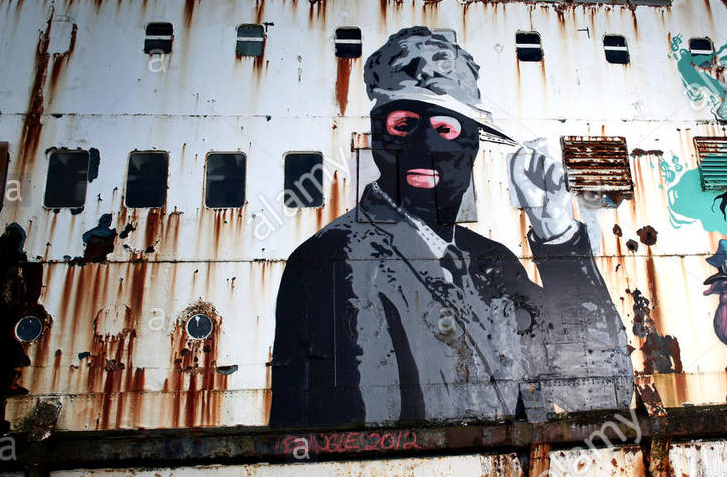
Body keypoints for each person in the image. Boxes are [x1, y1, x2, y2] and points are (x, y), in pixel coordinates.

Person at [269, 27, 631, 427]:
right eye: (403, 125)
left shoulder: (493, 263)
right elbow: (358, 449)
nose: (424, 147)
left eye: (445, 129)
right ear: (376, 136)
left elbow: (601, 392)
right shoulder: (333, 262)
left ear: (473, 145)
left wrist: (557, 236)